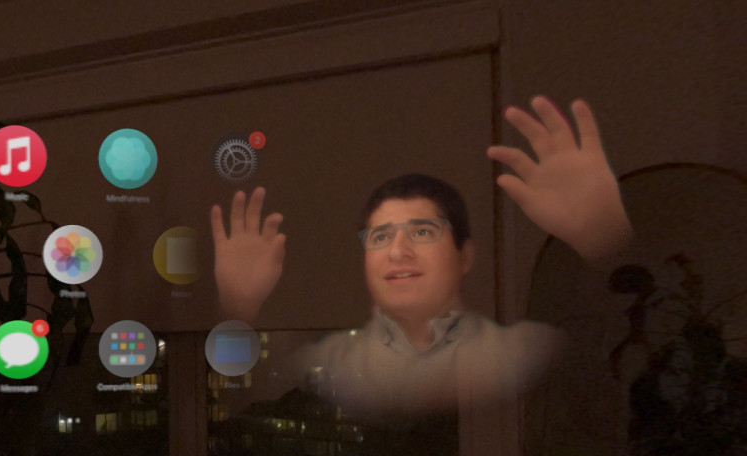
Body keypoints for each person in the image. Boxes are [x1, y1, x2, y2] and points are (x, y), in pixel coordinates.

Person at [209, 96, 631, 415]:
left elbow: (623, 361)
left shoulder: (525, 354)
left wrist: (604, 240)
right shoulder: (325, 365)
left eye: (423, 232)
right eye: (380, 237)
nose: (398, 252)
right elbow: (232, 395)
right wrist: (239, 306)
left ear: (465, 256)